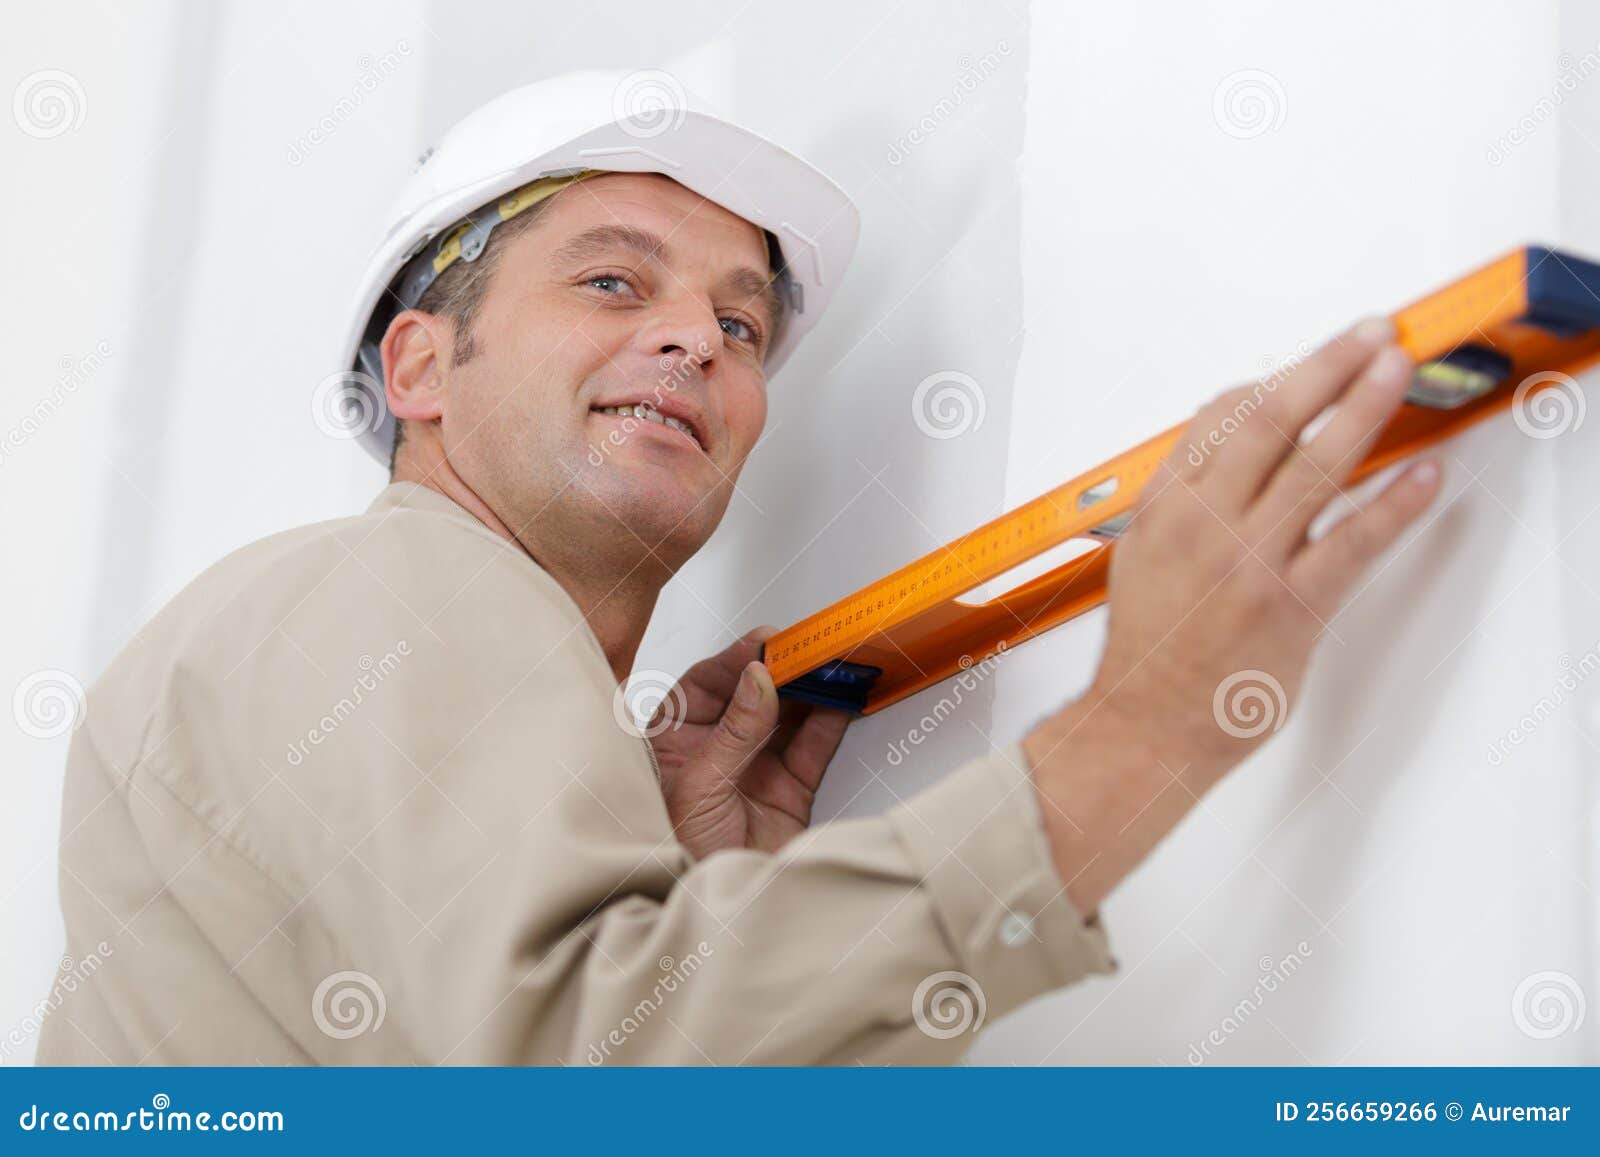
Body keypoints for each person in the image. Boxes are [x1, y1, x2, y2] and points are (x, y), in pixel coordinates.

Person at [38, 71, 1441, 1065]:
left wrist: (696, 904)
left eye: (742, 322)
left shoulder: (381, 651)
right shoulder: (385, 591)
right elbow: (590, 1072)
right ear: (421, 364)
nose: (698, 339)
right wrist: (1143, 730)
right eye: (612, 280)